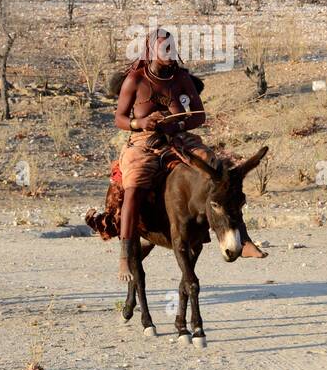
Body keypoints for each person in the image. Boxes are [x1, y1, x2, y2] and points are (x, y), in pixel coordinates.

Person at [111, 28, 265, 280]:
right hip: (143, 141)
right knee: (134, 185)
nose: (170, 53)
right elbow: (119, 118)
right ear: (151, 50)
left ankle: (243, 238)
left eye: (172, 48)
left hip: (179, 139)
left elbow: (199, 115)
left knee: (219, 173)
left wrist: (178, 124)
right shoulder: (135, 80)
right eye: (164, 48)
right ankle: (126, 256)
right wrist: (142, 123)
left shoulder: (181, 78)